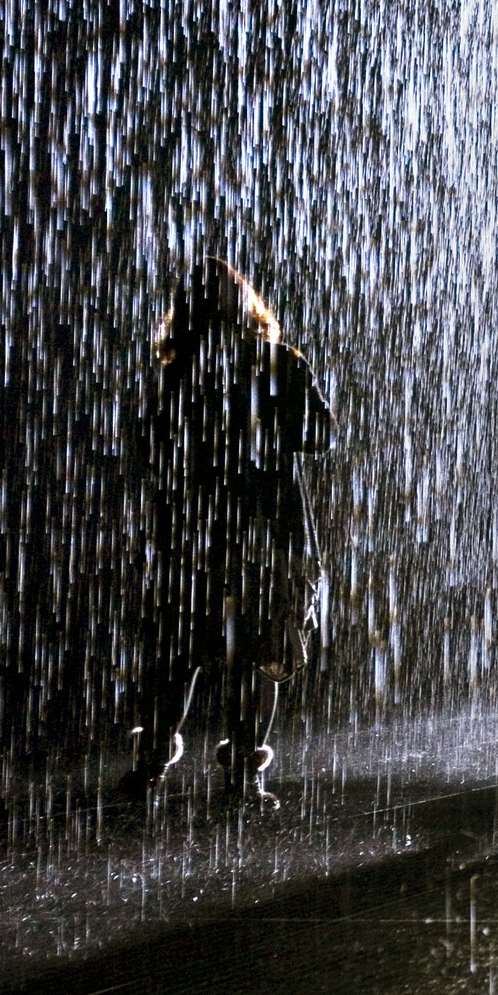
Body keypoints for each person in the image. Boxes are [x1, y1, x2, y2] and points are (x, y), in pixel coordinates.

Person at [122, 258, 334, 808]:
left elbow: (146, 450)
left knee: (178, 654)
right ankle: (242, 777)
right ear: (246, 305)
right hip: (264, 532)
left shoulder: (177, 370)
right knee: (255, 656)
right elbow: (320, 435)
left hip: (195, 532)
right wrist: (267, 424)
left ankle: (150, 768)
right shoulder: (277, 363)